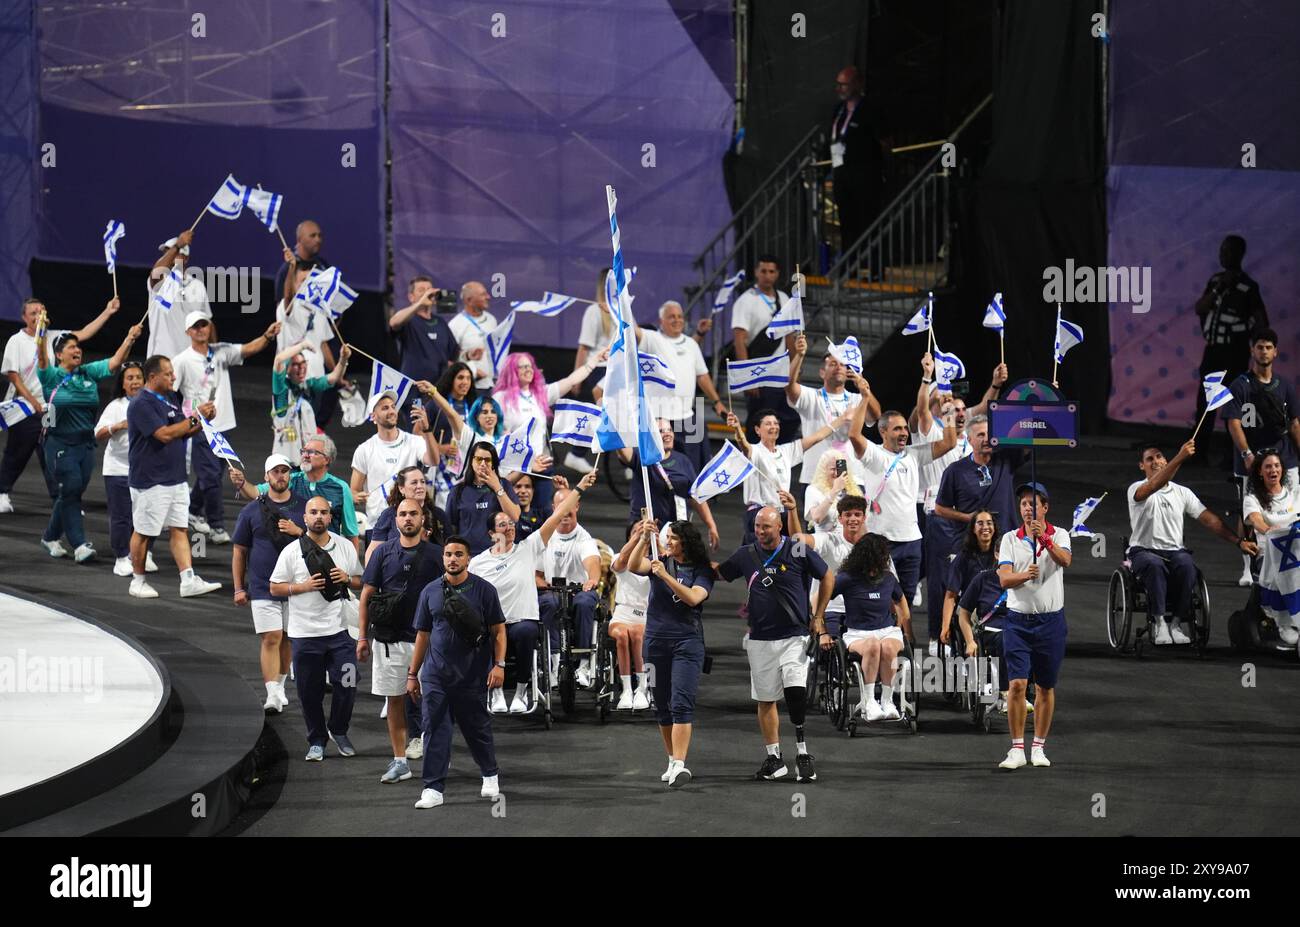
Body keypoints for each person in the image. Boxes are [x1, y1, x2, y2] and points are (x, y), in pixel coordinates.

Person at [715, 507, 833, 783]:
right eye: (757, 526)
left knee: (794, 692)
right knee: (766, 698)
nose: (760, 531)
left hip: (795, 635)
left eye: (766, 526)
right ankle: (774, 758)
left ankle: (803, 753)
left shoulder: (797, 550)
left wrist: (818, 616)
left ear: (779, 526)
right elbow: (720, 573)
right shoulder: (746, 554)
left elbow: (827, 576)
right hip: (760, 639)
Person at [470, 471, 596, 712]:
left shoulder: (528, 549)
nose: (509, 528)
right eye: (502, 524)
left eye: (511, 523)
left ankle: (520, 692)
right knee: (483, 635)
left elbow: (558, 514)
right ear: (490, 533)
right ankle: (495, 693)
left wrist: (578, 487)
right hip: (493, 624)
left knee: (528, 631)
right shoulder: (478, 563)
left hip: (521, 621)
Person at [406, 536, 507, 809]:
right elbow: (422, 634)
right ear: (443, 558)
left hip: (472, 674)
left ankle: (489, 774)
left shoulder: (485, 590)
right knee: (434, 728)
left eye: (458, 554)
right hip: (436, 675)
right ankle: (433, 789)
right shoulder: (429, 591)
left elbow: (499, 630)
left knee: (476, 727)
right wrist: (413, 674)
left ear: (468, 558)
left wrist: (499, 665)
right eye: (448, 554)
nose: (452, 559)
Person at [1, 295, 120, 513]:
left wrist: (108, 312)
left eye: (41, 311)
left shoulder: (56, 337)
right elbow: (13, 376)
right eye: (33, 313)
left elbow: (84, 332)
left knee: (51, 451)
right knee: (17, 451)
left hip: (50, 406)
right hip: (24, 406)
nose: (38, 316)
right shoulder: (16, 341)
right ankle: (2, 491)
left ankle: (62, 498)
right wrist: (32, 402)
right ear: (24, 318)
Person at [1128, 441, 1255, 644]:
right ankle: (1160, 623)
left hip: (1175, 551)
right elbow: (1154, 485)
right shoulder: (1136, 488)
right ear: (1142, 466)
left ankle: (1176, 624)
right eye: (1149, 459)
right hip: (1143, 551)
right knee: (1154, 565)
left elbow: (1210, 520)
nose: (1155, 461)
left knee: (1188, 567)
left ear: (1165, 461)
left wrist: (1238, 541)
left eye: (1159, 456)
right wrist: (1181, 457)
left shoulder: (1183, 493)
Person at [171, 311, 281, 543]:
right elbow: (172, 392)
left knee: (214, 473)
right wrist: (191, 416)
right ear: (188, 331)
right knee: (210, 477)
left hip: (224, 424)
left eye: (204, 325)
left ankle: (192, 510)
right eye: (196, 326)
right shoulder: (181, 360)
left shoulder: (220, 351)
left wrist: (267, 336)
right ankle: (216, 525)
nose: (201, 329)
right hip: (201, 427)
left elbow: (249, 349)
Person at [35, 324, 142, 561]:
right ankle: (80, 545)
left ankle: (50, 536)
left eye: (78, 347)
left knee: (71, 492)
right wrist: (41, 334)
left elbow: (115, 362)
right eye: (71, 347)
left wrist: (129, 338)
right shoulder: (51, 375)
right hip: (59, 443)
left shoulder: (88, 373)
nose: (77, 350)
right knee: (71, 488)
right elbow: (41, 358)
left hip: (85, 445)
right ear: (59, 354)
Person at [269, 496, 363, 760]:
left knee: (348, 682)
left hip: (340, 633)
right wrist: (302, 587)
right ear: (305, 517)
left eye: (324, 512)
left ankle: (339, 729)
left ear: (330, 517)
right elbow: (274, 586)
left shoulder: (344, 547)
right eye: (313, 512)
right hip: (304, 635)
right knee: (308, 693)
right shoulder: (291, 551)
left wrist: (347, 579)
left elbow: (360, 579)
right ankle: (316, 740)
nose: (319, 516)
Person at [358, 497, 445, 783]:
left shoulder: (437, 554)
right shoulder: (382, 554)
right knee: (394, 701)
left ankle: (435, 760)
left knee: (435, 703)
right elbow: (367, 595)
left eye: (413, 514)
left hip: (430, 642)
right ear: (395, 520)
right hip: (389, 640)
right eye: (403, 514)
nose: (408, 518)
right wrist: (362, 636)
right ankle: (400, 762)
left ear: (423, 520)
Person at [849, 397, 957, 626]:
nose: (904, 433)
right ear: (882, 431)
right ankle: (880, 636)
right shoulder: (874, 455)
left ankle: (902, 647)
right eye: (897, 428)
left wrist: (948, 412)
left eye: (905, 429)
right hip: (881, 541)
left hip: (912, 541)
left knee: (906, 598)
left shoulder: (913, 454)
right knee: (880, 595)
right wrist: (864, 400)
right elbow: (854, 436)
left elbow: (949, 443)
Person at [125, 355, 223, 599]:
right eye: (168, 374)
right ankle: (137, 581)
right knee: (144, 532)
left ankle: (188, 579)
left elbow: (182, 432)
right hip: (151, 480)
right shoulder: (141, 403)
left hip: (176, 479)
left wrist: (201, 421)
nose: (173, 377)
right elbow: (164, 435)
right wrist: (194, 416)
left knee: (179, 529)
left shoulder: (169, 399)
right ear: (153, 377)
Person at [627, 517, 714, 787]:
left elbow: (694, 598)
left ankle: (679, 763)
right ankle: (671, 758)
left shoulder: (702, 570)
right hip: (654, 644)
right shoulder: (658, 560)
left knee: (681, 704)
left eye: (674, 538)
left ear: (686, 542)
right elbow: (632, 565)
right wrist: (643, 538)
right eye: (667, 537)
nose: (668, 541)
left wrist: (664, 575)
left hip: (686, 643)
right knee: (661, 705)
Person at [931, 414, 1026, 655]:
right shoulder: (956, 471)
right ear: (970, 439)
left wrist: (1044, 406)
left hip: (1005, 543)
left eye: (990, 435)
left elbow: (1027, 435)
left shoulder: (1005, 461)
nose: (987, 439)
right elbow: (940, 508)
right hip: (969, 544)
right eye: (981, 435)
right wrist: (969, 518)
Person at [996, 482, 1071, 770]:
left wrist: (1047, 542)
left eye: (1034, 503)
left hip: (1051, 622)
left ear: (1045, 507)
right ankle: (1016, 748)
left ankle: (1038, 746)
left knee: (1045, 686)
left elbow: (1066, 561)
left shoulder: (1060, 534)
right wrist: (1023, 576)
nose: (1028, 508)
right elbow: (1003, 579)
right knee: (1017, 685)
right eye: (1025, 504)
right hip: (1017, 622)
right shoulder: (1009, 539)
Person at [1223, 329, 1300, 584]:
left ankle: (1290, 561)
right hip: (1251, 461)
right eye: (1259, 347)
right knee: (1248, 511)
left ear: (1276, 351)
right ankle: (1248, 566)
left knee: (1292, 509)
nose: (1264, 351)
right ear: (1252, 350)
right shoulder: (1240, 385)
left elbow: (1295, 425)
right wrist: (1246, 454)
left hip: (1285, 459)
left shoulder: (1285, 386)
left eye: (1268, 347)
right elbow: (1233, 422)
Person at [231, 454, 307, 713]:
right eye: (275, 472)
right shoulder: (251, 510)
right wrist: (239, 587)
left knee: (288, 638)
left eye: (285, 471)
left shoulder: (304, 507)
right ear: (266, 477)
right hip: (263, 586)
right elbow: (240, 550)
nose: (280, 476)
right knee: (271, 637)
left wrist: (300, 532)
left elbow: (321, 540)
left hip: (297, 586)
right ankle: (272, 692)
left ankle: (280, 685)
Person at [493, 350, 602, 512]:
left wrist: (594, 361)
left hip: (542, 465)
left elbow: (571, 381)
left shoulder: (540, 393)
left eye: (530, 366)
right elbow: (497, 433)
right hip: (516, 466)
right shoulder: (500, 398)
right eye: (522, 367)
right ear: (512, 371)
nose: (528, 369)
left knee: (542, 513)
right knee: (513, 514)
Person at [728, 407, 850, 544]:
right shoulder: (755, 451)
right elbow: (743, 445)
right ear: (757, 430)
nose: (773, 426)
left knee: (791, 553)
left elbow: (817, 437)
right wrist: (737, 429)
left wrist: (843, 418)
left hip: (782, 514)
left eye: (776, 423)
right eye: (768, 423)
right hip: (759, 514)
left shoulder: (787, 451)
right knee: (758, 558)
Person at [1194, 234, 1268, 458]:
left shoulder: (1248, 287)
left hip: (1234, 353)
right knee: (1205, 404)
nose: (1222, 255)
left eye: (1228, 251)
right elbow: (1200, 308)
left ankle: (1233, 456)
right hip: (1214, 351)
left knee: (1233, 405)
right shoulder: (1215, 281)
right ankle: (1198, 453)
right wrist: (1219, 289)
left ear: (1239, 254)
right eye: (1221, 250)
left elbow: (1262, 322)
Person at [635, 301, 728, 472]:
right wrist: (620, 303)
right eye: (671, 317)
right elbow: (633, 330)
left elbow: (702, 376)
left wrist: (717, 402)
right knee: (662, 466)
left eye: (679, 316)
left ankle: (692, 495)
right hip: (661, 417)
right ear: (661, 320)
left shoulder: (691, 344)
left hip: (686, 415)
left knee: (691, 465)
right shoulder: (654, 339)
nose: (676, 320)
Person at [232, 435, 361, 552]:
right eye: (304, 451)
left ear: (326, 459)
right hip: (297, 557)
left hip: (329, 557)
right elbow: (255, 492)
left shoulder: (340, 488)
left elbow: (351, 533)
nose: (305, 455)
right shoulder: (291, 480)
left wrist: (353, 570)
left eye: (312, 452)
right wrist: (242, 483)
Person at [787, 336, 881, 490]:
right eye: (833, 364)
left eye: (843, 364)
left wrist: (865, 389)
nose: (838, 367)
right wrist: (799, 355)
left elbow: (875, 416)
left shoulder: (857, 399)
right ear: (822, 373)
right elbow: (790, 387)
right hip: (817, 478)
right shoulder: (811, 397)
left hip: (852, 478)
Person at [833, 533, 910, 721]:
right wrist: (819, 622)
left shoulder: (889, 578)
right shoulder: (846, 578)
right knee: (873, 645)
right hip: (857, 633)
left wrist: (900, 622)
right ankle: (869, 701)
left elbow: (902, 603)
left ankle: (887, 700)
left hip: (886, 630)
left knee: (889, 646)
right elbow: (819, 599)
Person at [782, 491, 875, 642]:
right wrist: (792, 510)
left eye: (857, 515)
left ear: (864, 518)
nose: (853, 519)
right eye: (848, 515)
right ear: (840, 518)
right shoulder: (828, 541)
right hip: (831, 610)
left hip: (862, 611)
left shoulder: (873, 546)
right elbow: (797, 541)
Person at [537, 480, 603, 688]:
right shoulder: (545, 536)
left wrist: (592, 578)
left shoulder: (584, 539)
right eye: (561, 508)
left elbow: (592, 562)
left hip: (579, 590)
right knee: (547, 603)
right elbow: (536, 573)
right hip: (552, 591)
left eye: (569, 507)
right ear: (554, 509)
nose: (565, 513)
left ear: (576, 506)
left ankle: (584, 664)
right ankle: (554, 665)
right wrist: (540, 583)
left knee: (585, 602)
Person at [96, 362, 158, 575]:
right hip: (118, 469)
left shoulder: (154, 403)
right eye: (129, 378)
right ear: (122, 384)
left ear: (145, 380)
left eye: (138, 378)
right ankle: (122, 557)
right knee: (122, 516)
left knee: (148, 514)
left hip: (147, 470)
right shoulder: (115, 406)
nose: (134, 382)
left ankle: (144, 553)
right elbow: (98, 434)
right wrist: (118, 426)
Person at [620, 419, 721, 549]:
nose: (667, 434)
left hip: (674, 533)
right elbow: (622, 452)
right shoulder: (643, 457)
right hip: (647, 530)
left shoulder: (683, 460)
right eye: (661, 431)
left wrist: (711, 525)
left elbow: (695, 496)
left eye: (669, 430)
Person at [731, 255, 801, 443]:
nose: (767, 275)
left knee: (788, 420)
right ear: (756, 272)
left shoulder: (784, 298)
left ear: (777, 274)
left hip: (781, 374)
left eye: (771, 271)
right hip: (759, 374)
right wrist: (749, 378)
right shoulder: (745, 301)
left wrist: (796, 368)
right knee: (759, 422)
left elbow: (789, 337)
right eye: (763, 271)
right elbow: (739, 340)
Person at [950, 510, 1012, 710]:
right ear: (996, 555)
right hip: (991, 631)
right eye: (1003, 555)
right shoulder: (983, 579)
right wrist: (969, 641)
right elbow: (963, 613)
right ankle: (1005, 692)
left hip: (1017, 629)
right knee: (1006, 640)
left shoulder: (1023, 581)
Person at [349, 390, 437, 526]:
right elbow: (353, 490)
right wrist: (355, 496)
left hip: (410, 522)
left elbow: (433, 461)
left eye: (393, 407)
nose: (391, 411)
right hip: (377, 524)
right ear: (373, 416)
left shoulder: (414, 441)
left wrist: (426, 429)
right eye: (385, 408)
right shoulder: (364, 449)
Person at [1243, 450, 1300, 644]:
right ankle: (1284, 622)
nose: (1273, 470)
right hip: (1268, 554)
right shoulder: (1252, 499)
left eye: (1276, 465)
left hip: (1297, 551)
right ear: (1260, 472)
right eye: (1267, 466)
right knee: (1286, 574)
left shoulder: (1296, 494)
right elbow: (1256, 521)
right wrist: (1269, 529)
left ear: (1282, 469)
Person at [828, 65, 884, 256]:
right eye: (838, 84)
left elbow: (881, 140)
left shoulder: (869, 110)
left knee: (867, 220)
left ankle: (875, 265)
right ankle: (849, 263)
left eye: (844, 85)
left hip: (864, 174)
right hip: (842, 172)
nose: (840, 89)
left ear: (856, 85)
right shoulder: (838, 110)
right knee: (846, 221)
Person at [270, 341, 351, 461]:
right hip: (285, 461)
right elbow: (279, 360)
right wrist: (302, 346)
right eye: (296, 364)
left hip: (306, 459)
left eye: (303, 363)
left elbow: (334, 378)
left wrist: (343, 359)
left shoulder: (307, 385)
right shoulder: (281, 390)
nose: (301, 367)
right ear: (287, 370)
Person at [445, 440, 522, 556]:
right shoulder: (458, 491)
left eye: (487, 460)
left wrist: (497, 487)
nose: (483, 464)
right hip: (469, 557)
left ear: (493, 463)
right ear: (471, 461)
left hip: (499, 555)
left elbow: (514, 517)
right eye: (478, 459)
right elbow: (450, 528)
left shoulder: (504, 485)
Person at [389, 276, 466, 386]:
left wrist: (468, 355)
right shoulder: (408, 321)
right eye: (421, 290)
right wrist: (420, 303)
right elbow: (393, 323)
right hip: (414, 387)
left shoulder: (440, 322)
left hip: (437, 389)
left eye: (429, 289)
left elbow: (453, 353)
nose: (427, 293)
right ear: (411, 297)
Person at [147, 232, 211, 359]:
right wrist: (177, 246)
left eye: (172, 253)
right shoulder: (160, 282)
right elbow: (156, 273)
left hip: (188, 361)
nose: (168, 257)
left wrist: (211, 357)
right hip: (159, 360)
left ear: (185, 258)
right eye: (166, 253)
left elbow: (207, 323)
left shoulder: (197, 286)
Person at [608, 524, 652, 709]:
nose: (640, 534)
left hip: (645, 616)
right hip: (622, 614)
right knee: (621, 635)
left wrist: (653, 537)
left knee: (636, 634)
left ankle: (642, 689)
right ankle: (626, 690)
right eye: (635, 531)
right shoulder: (620, 557)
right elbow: (621, 562)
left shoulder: (656, 561)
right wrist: (638, 537)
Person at [364, 464, 446, 562]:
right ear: (401, 488)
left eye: (422, 482)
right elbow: (373, 549)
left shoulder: (438, 514)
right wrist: (370, 574)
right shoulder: (389, 514)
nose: (420, 486)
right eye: (414, 483)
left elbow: (449, 547)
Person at [449, 281, 498, 390]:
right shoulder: (455, 325)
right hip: (470, 388)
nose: (488, 297)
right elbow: (449, 362)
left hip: (493, 385)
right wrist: (473, 370)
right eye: (483, 294)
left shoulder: (492, 320)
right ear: (469, 300)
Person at [803, 450, 865, 534]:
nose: (836, 473)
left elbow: (863, 521)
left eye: (839, 469)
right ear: (824, 470)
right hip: (826, 542)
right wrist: (835, 490)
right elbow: (817, 518)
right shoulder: (813, 490)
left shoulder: (853, 490)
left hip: (850, 543)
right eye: (833, 469)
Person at [272, 220, 330, 301]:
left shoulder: (324, 266)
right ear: (299, 239)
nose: (318, 240)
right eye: (313, 236)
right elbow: (282, 309)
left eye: (320, 236)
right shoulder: (287, 270)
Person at [510, 473, 548, 544]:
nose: (523, 491)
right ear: (510, 490)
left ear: (533, 491)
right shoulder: (504, 515)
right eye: (518, 486)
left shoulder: (542, 516)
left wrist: (562, 489)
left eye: (527, 486)